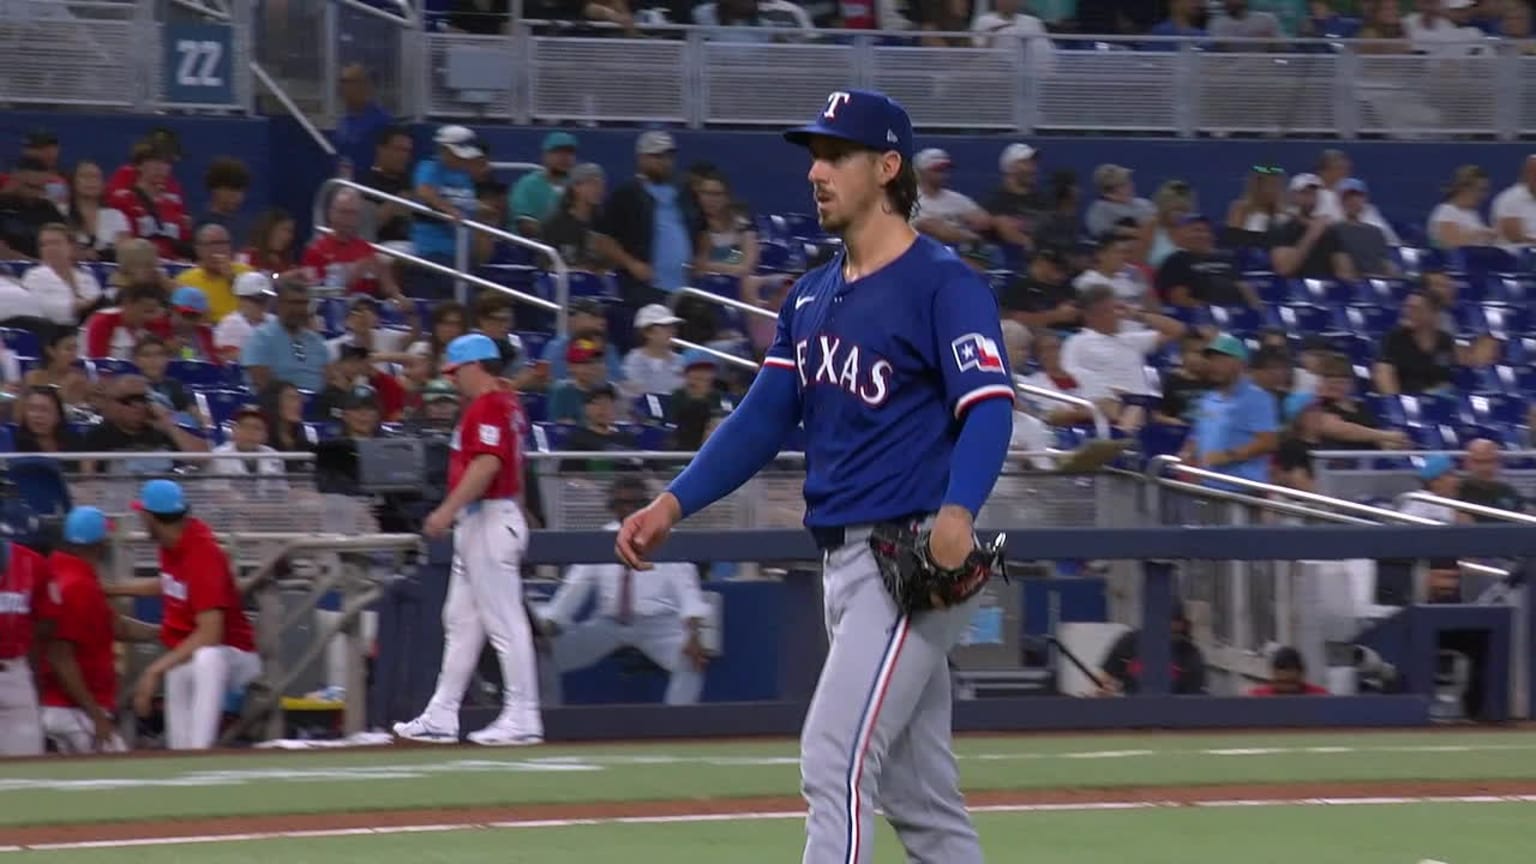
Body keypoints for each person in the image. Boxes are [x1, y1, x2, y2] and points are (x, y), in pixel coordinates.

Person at [616, 90, 1009, 864]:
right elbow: (761, 420)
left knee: (834, 758)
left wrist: (960, 509)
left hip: (911, 562)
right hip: (844, 563)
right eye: (814, 156)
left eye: (836, 155)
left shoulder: (942, 282)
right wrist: (672, 501)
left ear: (888, 167)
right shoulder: (811, 296)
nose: (816, 172)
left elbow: (989, 407)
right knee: (920, 800)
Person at [394, 334, 542, 746]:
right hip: (485, 520)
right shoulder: (504, 400)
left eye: (457, 372)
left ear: (474, 366)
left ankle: (523, 715)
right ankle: (441, 714)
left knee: (504, 622)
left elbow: (488, 464)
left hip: (490, 518)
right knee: (460, 622)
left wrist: (445, 511)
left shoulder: (490, 403)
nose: (453, 380)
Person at [108, 480, 260, 750]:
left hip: (234, 654)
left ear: (151, 518)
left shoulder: (202, 553)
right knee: (178, 667)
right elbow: (170, 582)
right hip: (199, 649)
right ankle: (181, 752)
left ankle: (201, 749)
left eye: (142, 513)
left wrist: (152, 671)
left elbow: (210, 635)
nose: (140, 518)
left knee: (203, 657)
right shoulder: (172, 544)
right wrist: (113, 589)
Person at [538, 477, 712, 705]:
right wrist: (550, 625)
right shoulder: (600, 539)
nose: (628, 509)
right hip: (608, 624)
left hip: (659, 624)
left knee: (690, 661)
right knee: (543, 657)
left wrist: (694, 635)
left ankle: (676, 727)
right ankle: (547, 722)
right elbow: (574, 588)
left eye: (635, 503)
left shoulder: (666, 536)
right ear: (611, 507)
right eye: (621, 503)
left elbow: (688, 592)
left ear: (646, 504)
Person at [39, 506, 156, 753]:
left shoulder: (59, 570)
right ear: (99, 544)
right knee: (120, 780)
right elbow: (61, 657)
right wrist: (96, 716)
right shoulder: (77, 586)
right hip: (75, 713)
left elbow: (115, 626)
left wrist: (164, 632)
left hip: (60, 708)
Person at [1178, 334, 1279, 485]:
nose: (1213, 365)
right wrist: (1187, 455)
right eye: (1211, 360)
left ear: (1239, 363)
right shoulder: (1206, 399)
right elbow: (1196, 436)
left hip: (1243, 489)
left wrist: (1227, 456)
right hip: (1207, 486)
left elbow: (1268, 442)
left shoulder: (1258, 398)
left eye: (1221, 360)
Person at [0, 500, 51, 756]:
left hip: (15, 671)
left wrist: (34, 680)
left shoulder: (32, 565)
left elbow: (42, 625)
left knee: (28, 762)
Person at [1095, 605, 1207, 695]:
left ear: (1182, 625)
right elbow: (1106, 679)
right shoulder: (1129, 642)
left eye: (1173, 627)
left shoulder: (1190, 655)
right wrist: (1105, 690)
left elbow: (1194, 701)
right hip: (1129, 713)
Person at [22, 223, 103, 326]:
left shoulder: (85, 274)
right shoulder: (34, 276)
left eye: (55, 243)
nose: (50, 248)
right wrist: (83, 305)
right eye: (44, 244)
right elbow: (49, 309)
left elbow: (97, 303)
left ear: (70, 246)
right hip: (55, 332)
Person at [621, 302, 685, 399]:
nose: (672, 331)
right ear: (648, 333)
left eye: (673, 326)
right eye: (665, 327)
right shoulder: (633, 360)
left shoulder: (681, 362)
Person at [1248, 646, 1329, 696]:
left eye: (1291, 682)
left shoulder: (1320, 697)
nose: (1286, 688)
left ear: (1302, 674)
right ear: (1272, 674)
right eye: (1280, 682)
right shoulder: (1257, 698)